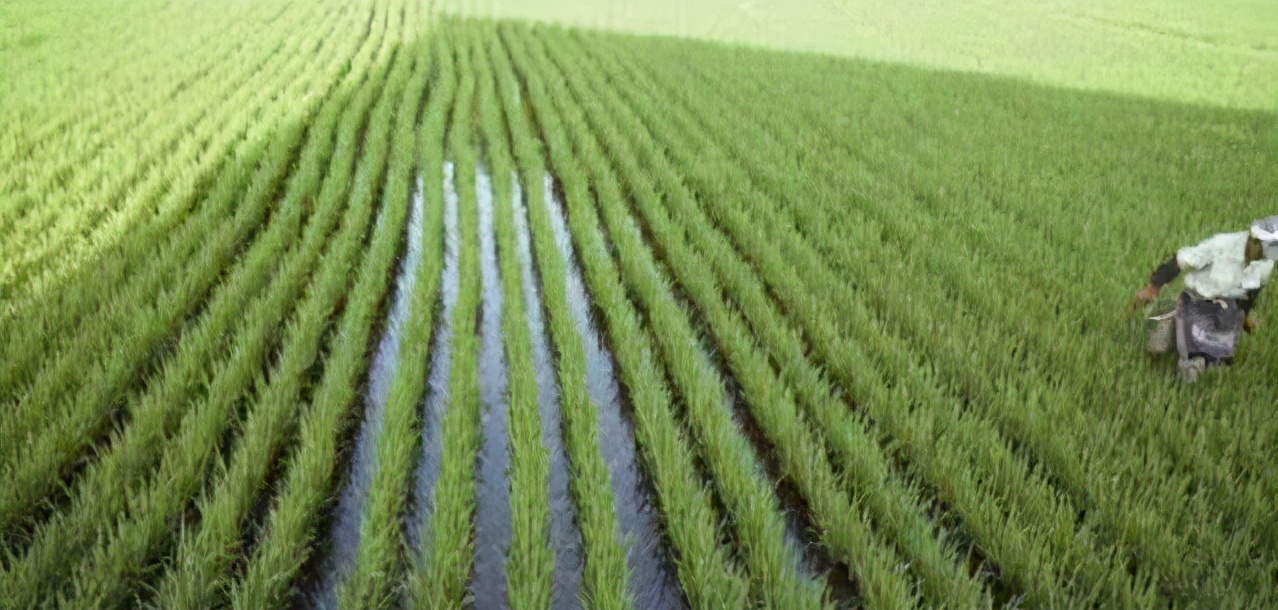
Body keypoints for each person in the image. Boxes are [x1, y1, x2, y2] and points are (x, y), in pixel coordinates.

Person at [1131, 216, 1278, 382]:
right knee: (1167, 351)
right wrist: (1153, 286)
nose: (1262, 257)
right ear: (1253, 240)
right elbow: (1181, 260)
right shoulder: (1221, 245)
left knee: (1218, 359)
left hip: (1225, 309)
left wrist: (1244, 316)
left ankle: (1198, 347)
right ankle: (1174, 323)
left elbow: (1249, 292)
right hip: (1196, 300)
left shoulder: (1266, 264)